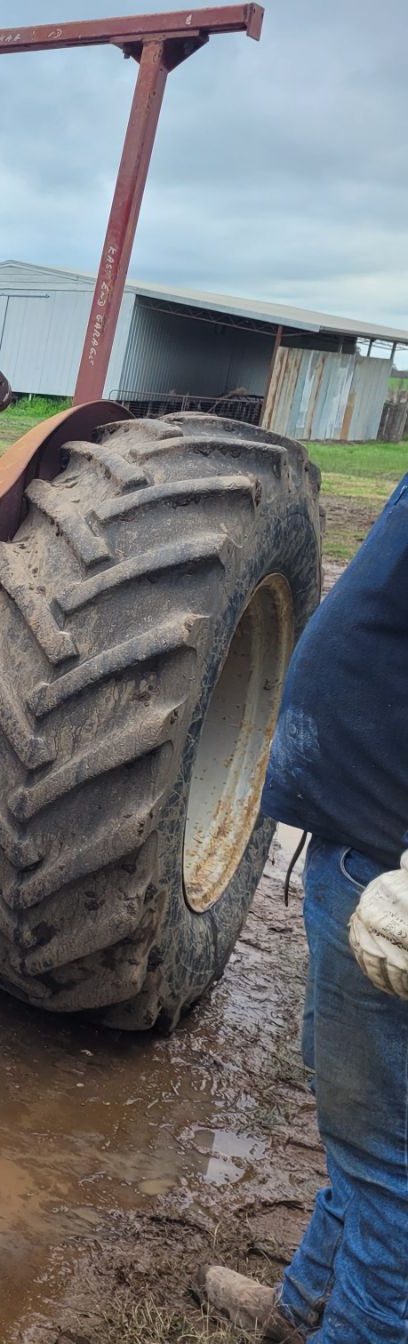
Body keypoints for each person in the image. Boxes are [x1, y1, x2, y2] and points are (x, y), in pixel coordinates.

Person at [198, 472, 408, 1342]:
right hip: (357, 840)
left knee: (389, 1157)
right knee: (360, 1124)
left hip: (386, 871)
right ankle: (302, 1303)